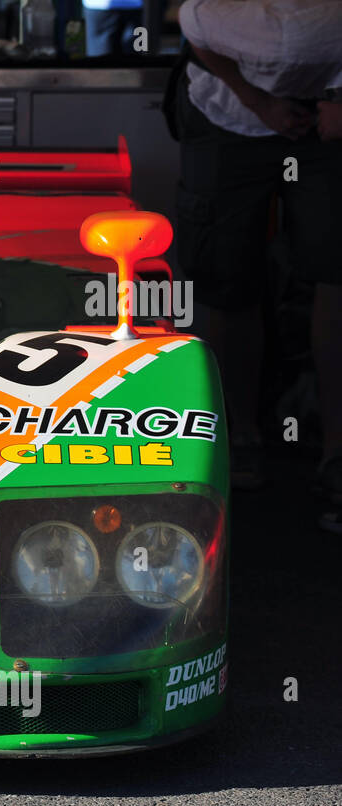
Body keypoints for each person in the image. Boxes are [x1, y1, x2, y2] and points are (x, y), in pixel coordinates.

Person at [175, 0, 342, 526]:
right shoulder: (226, 16)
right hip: (228, 112)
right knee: (229, 278)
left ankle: (337, 450)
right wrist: (258, 100)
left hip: (327, 118)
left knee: (337, 272)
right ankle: (238, 434)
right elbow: (195, 30)